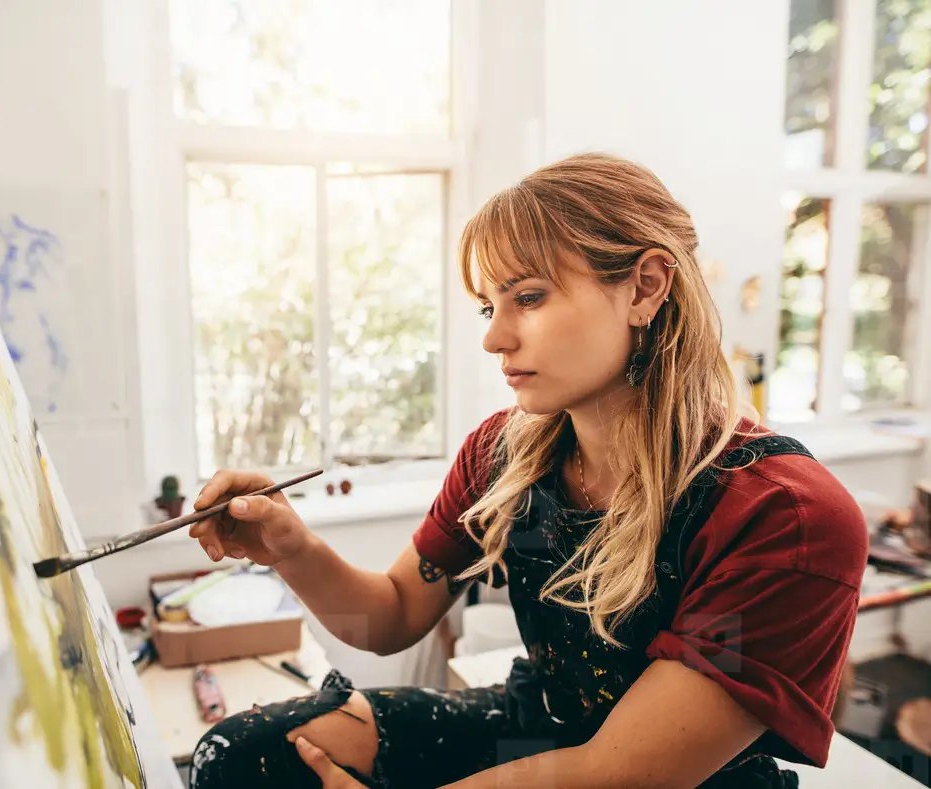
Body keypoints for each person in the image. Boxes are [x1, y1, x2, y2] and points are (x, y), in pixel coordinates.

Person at [184, 153, 868, 788]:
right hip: (539, 728)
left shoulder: (784, 513)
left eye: (529, 298)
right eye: (489, 305)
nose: (494, 337)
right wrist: (290, 548)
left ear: (646, 287)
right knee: (241, 758)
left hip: (663, 778)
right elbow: (387, 619)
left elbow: (619, 774)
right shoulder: (502, 453)